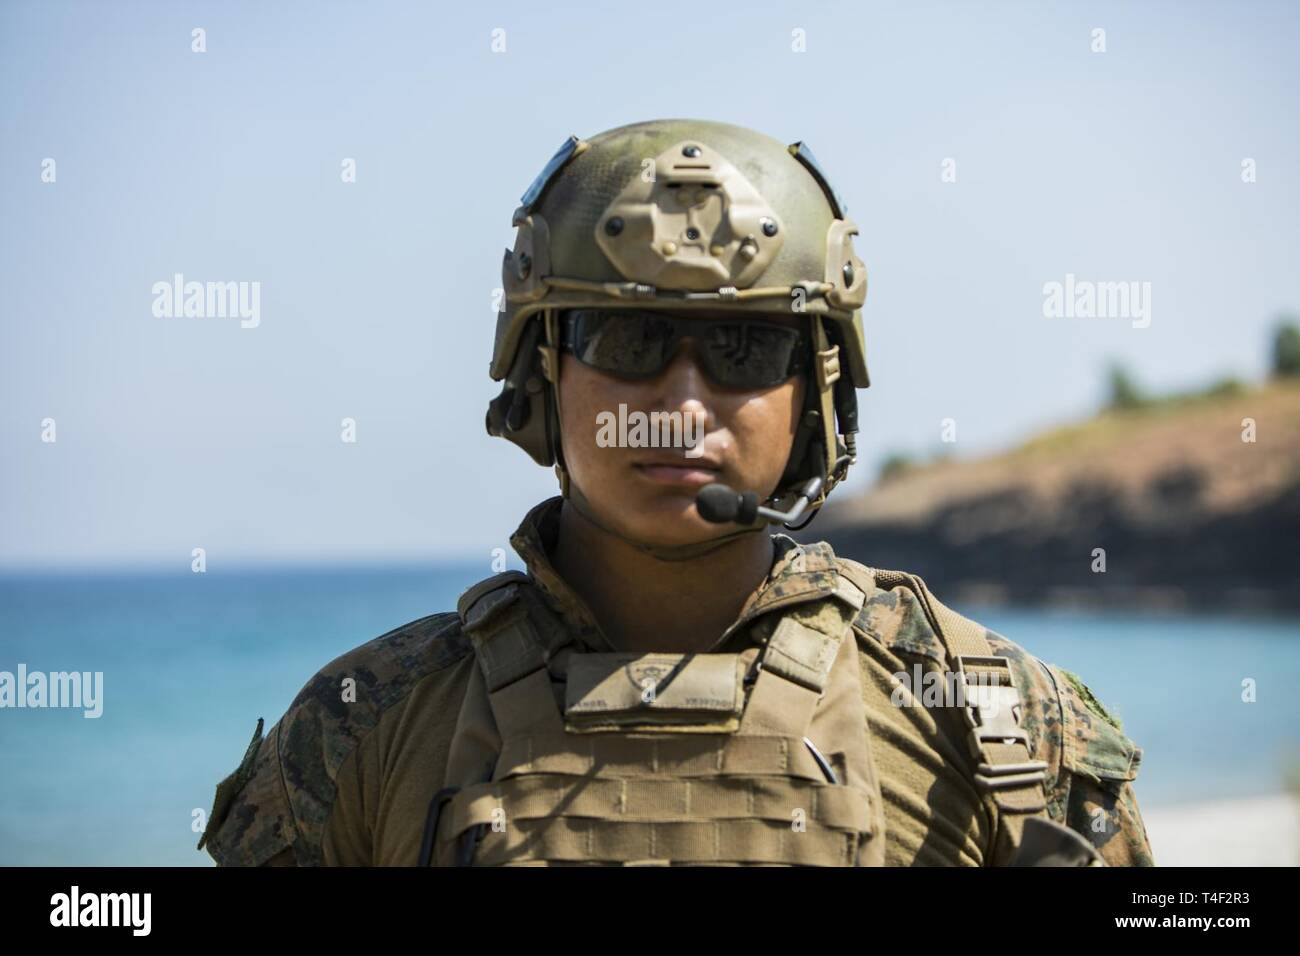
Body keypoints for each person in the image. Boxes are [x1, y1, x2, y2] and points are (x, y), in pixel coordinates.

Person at [198, 119, 1154, 866]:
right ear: (543, 375)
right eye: (628, 341)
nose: (683, 402)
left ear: (812, 396)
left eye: (743, 349)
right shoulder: (365, 727)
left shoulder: (997, 725)